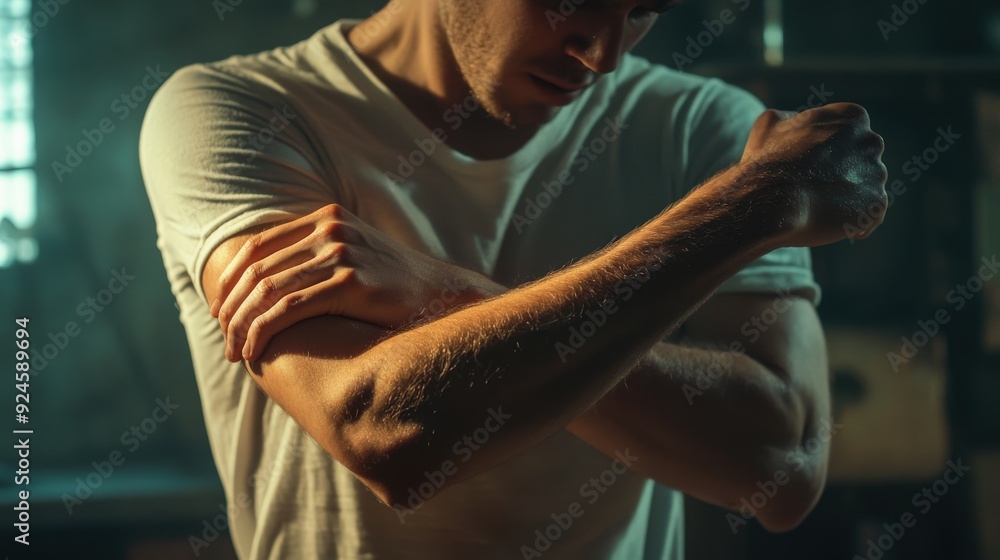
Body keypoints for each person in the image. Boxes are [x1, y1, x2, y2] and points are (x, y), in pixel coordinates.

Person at [139, 0, 887, 558]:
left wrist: (438, 289)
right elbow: (386, 432)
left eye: (643, 10)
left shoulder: (702, 126)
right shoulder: (238, 112)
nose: (603, 54)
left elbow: (780, 467)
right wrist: (746, 211)